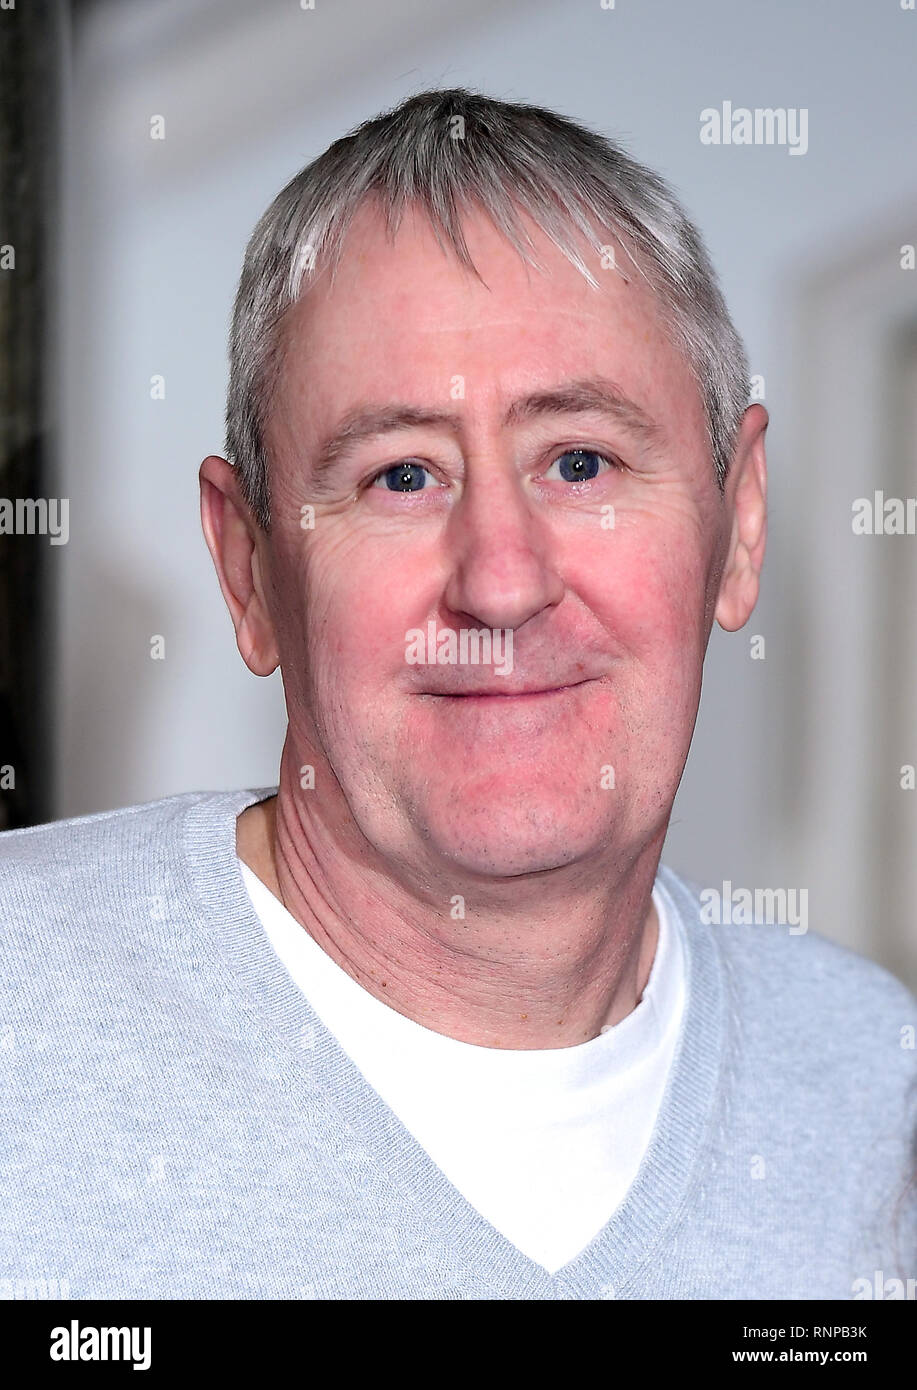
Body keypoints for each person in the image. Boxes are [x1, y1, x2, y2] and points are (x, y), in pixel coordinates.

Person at [1, 88, 914, 1301]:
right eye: (401, 474)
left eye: (579, 460)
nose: (499, 580)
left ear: (737, 522)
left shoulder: (861, 1076)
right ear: (248, 567)